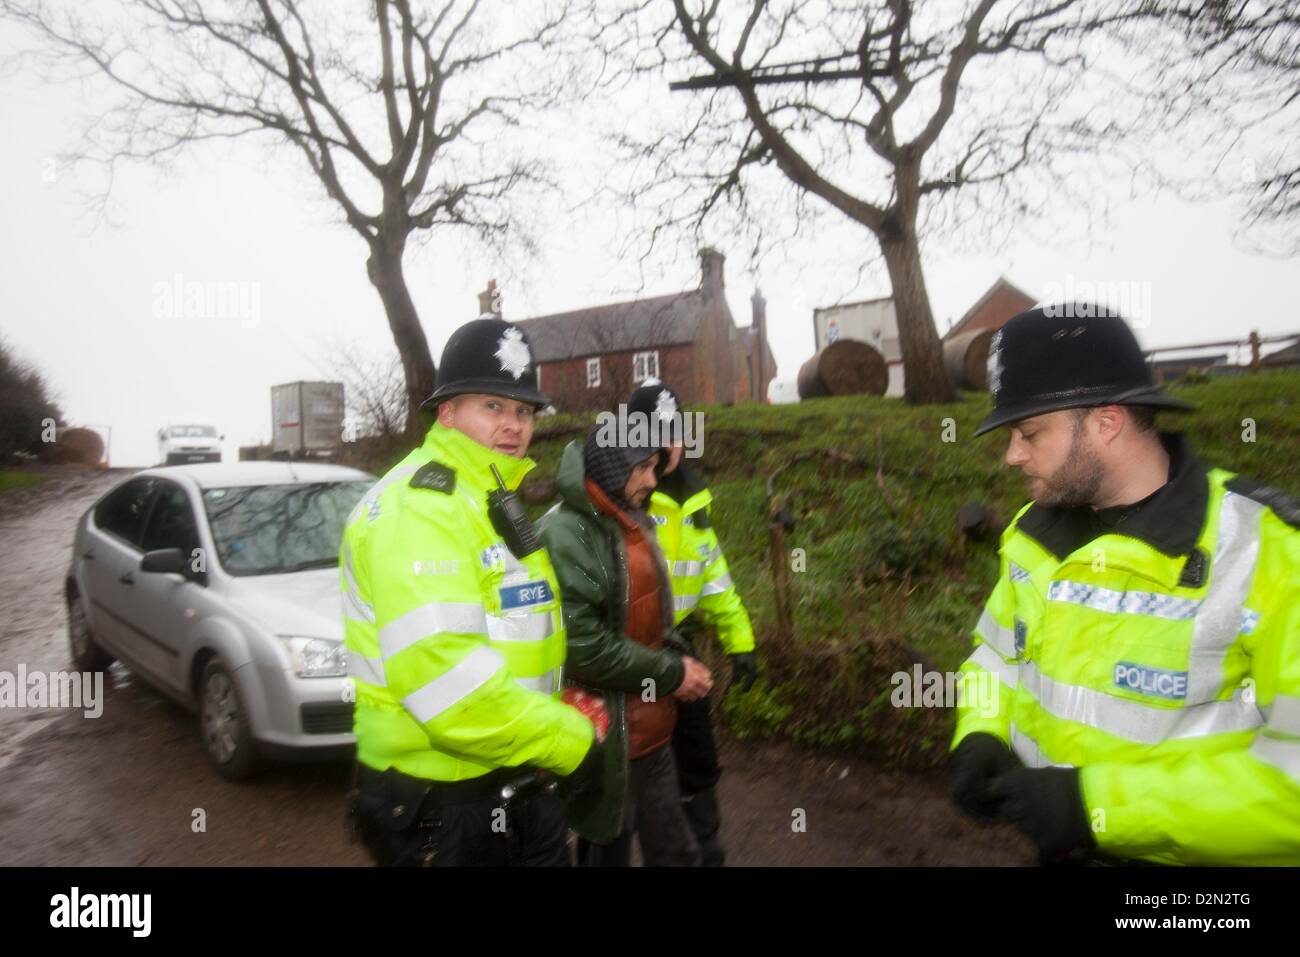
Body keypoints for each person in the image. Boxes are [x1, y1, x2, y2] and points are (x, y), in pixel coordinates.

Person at [950, 305, 1300, 866]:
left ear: (1106, 423)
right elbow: (996, 658)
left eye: (1028, 432)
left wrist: (1096, 807)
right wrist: (981, 733)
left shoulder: (1267, 553)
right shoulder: (1031, 536)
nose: (1011, 454)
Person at [341, 317, 601, 867]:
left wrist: (552, 704)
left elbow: (514, 634)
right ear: (448, 412)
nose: (513, 425)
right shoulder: (421, 508)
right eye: (493, 407)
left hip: (515, 777)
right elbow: (446, 682)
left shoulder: (489, 498)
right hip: (443, 803)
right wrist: (568, 740)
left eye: (523, 411)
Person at [538, 424, 713, 865]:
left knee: (676, 853)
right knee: (605, 852)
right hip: (603, 737)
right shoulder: (565, 534)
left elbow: (649, 620)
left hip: (652, 732)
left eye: (654, 468)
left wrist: (678, 655)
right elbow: (585, 648)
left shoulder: (631, 520)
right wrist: (672, 672)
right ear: (613, 469)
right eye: (642, 469)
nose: (652, 481)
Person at [625, 378, 757, 866]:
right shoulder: (624, 498)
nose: (669, 446)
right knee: (628, 779)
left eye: (676, 433)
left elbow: (716, 582)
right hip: (627, 656)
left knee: (697, 761)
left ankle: (707, 850)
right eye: (657, 434)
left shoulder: (695, 501)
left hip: (679, 651)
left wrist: (740, 642)